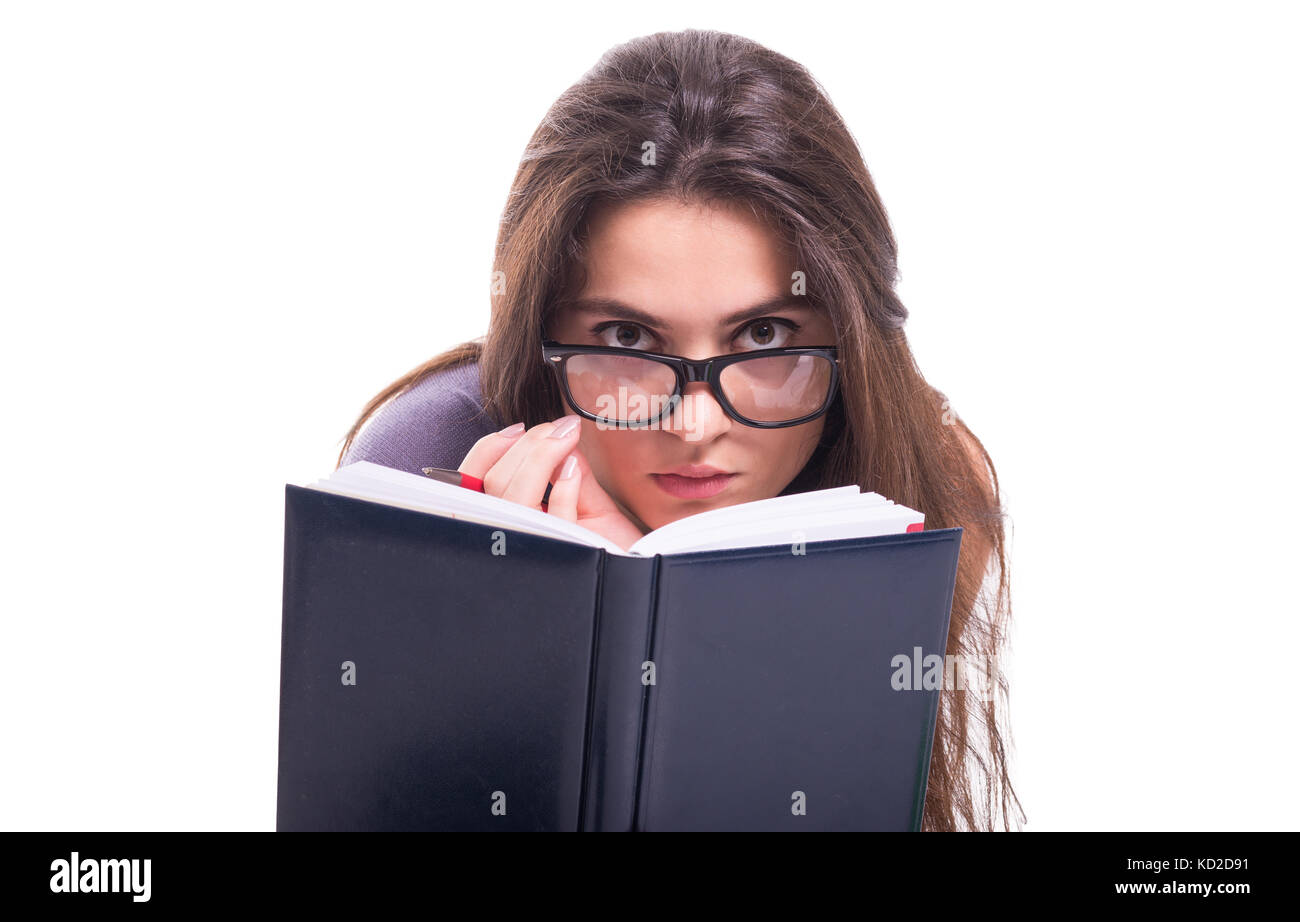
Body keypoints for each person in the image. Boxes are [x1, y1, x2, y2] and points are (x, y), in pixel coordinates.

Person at [337, 28, 1024, 832]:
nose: (696, 424)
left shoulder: (925, 487)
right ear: (540, 332)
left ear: (850, 336)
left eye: (765, 335)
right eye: (628, 340)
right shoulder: (420, 471)